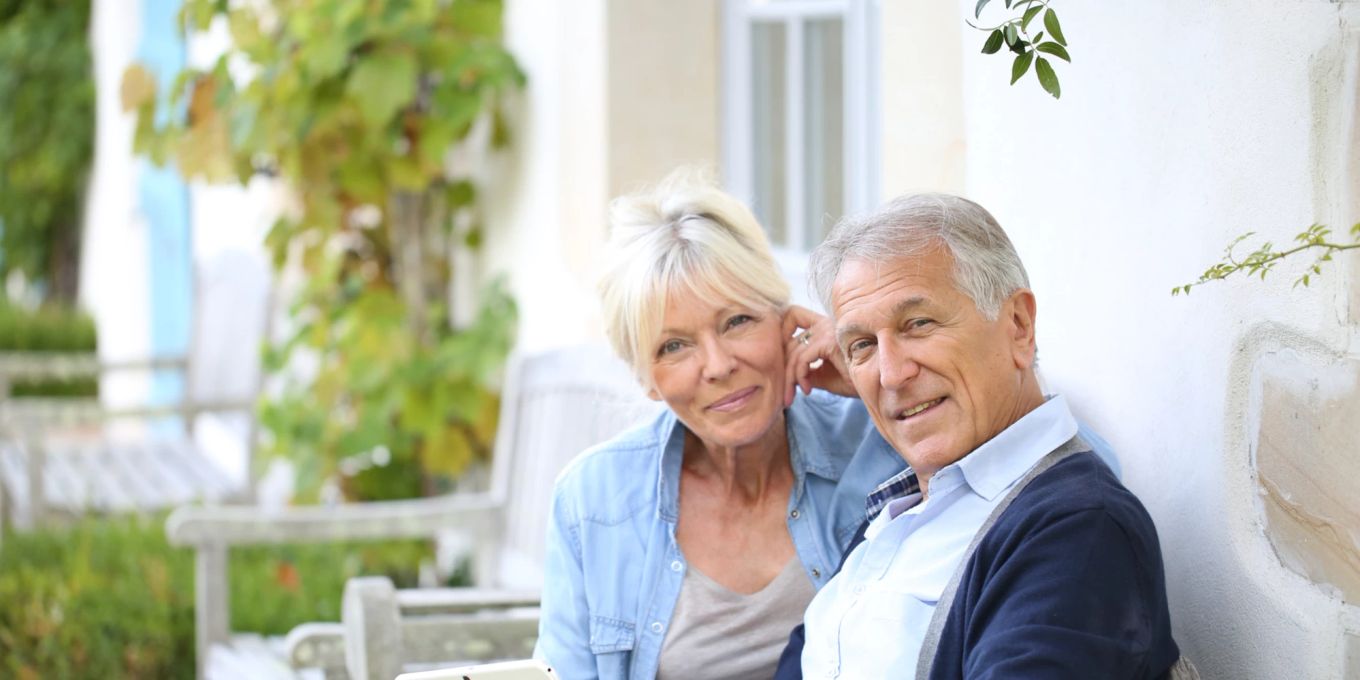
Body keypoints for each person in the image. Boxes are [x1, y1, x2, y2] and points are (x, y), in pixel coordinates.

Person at [774, 193, 1189, 679]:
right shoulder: (898, 514)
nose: (890, 374)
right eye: (862, 345)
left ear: (1018, 326)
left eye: (918, 324)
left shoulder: (1078, 528)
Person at [532, 171, 907, 680]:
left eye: (737, 322)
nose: (717, 365)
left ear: (785, 322)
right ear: (647, 380)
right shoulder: (594, 500)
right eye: (673, 347)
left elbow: (1010, 464)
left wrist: (868, 379)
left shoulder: (878, 440)